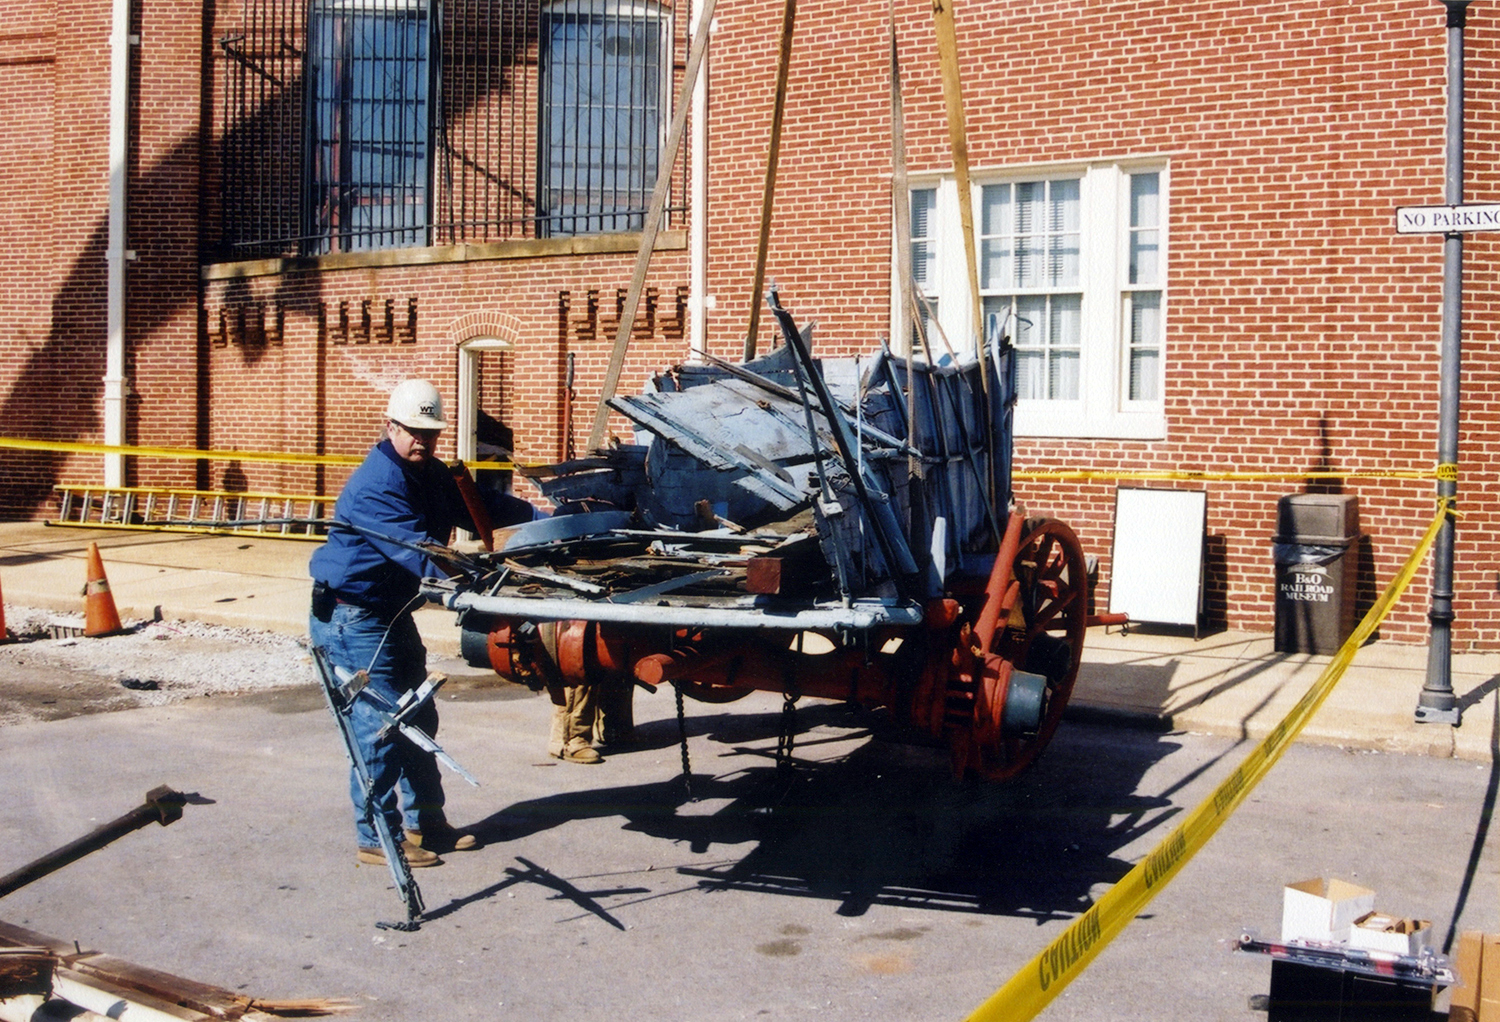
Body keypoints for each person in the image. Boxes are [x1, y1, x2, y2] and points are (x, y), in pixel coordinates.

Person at [309, 379, 483, 868]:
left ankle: (428, 824)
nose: (421, 442)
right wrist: (477, 580)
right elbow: (420, 554)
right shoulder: (376, 484)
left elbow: (480, 508)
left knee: (418, 720)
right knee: (380, 727)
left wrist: (548, 522)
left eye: (430, 433)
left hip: (391, 613)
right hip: (352, 617)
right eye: (411, 431)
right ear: (391, 426)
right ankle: (376, 837)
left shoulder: (427, 473)